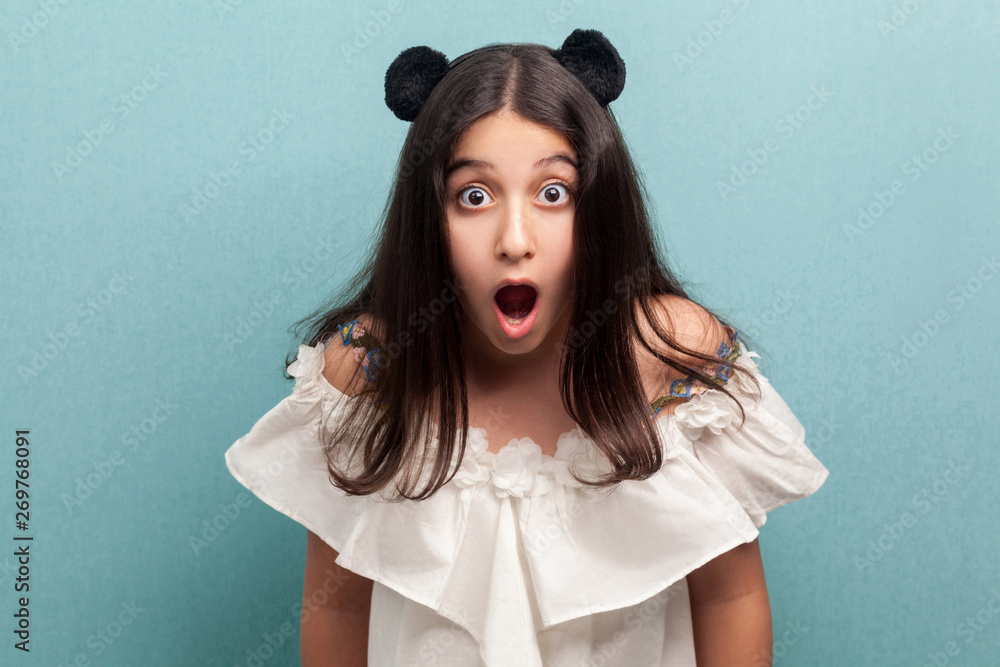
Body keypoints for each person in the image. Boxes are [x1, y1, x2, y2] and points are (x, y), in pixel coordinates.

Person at [224, 28, 830, 666]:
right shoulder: (373, 370)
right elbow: (338, 604)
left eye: (552, 193)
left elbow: (727, 597)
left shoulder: (670, 354)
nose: (514, 239)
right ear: (428, 217)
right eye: (474, 197)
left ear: (600, 206)